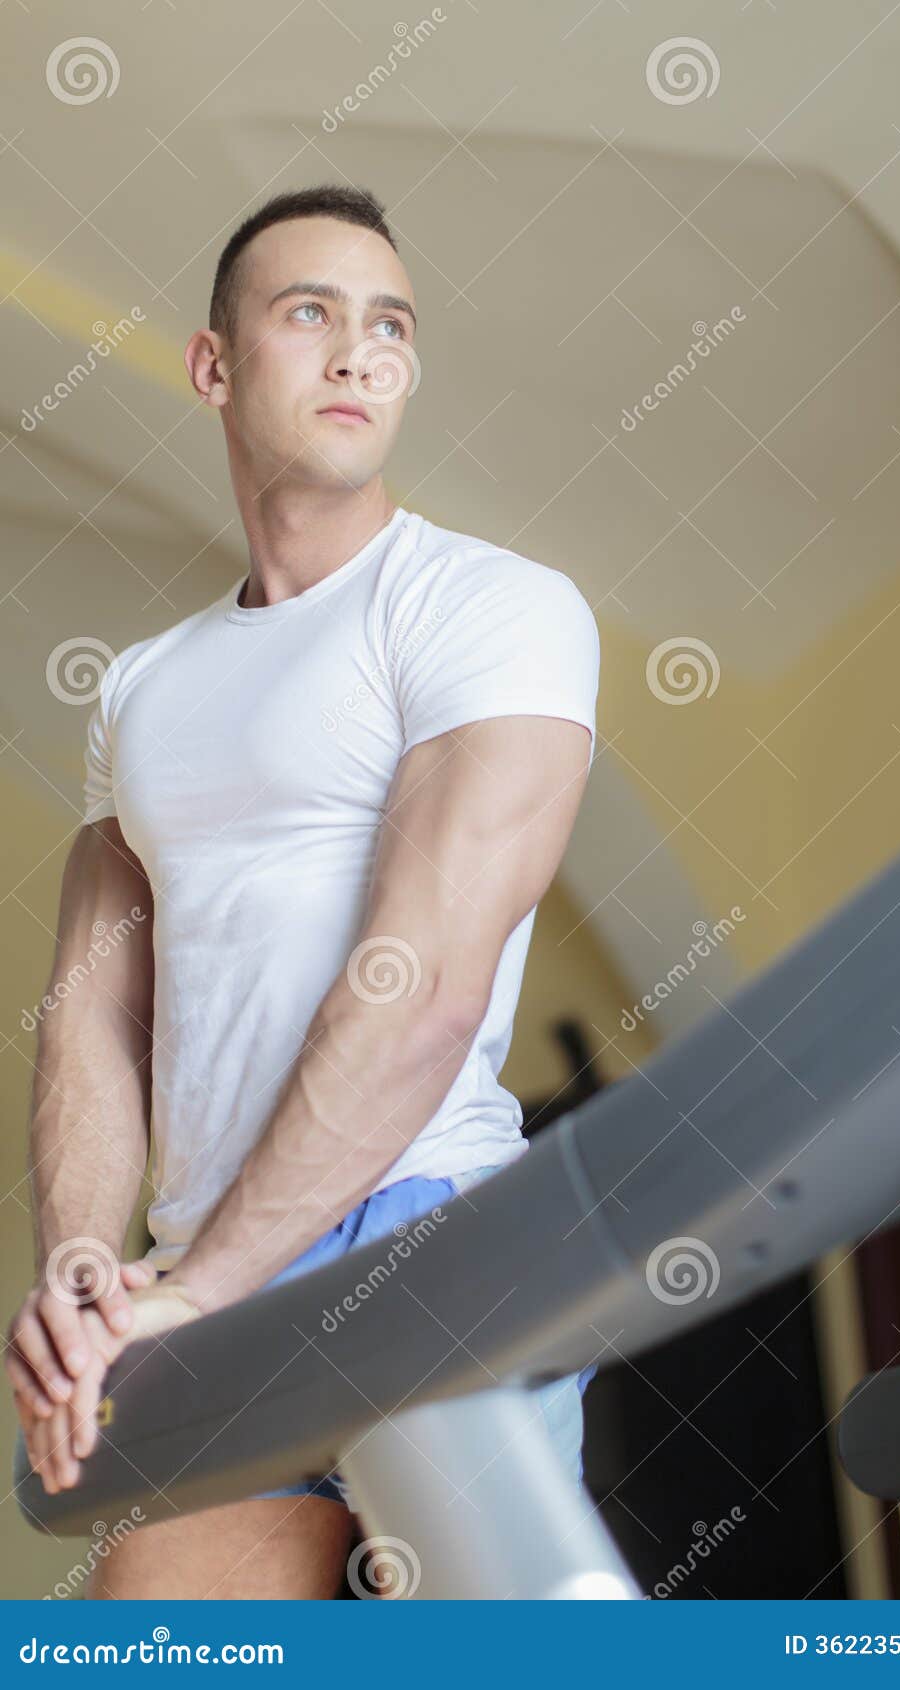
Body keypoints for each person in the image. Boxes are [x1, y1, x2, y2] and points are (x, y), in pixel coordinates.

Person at [5, 184, 600, 1599]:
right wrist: (92, 1259)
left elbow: (427, 978)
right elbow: (92, 1014)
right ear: (214, 366)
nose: (359, 353)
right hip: (200, 1266)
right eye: (309, 314)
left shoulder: (490, 606)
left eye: (389, 324)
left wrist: (202, 1286)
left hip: (429, 1226)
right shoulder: (142, 688)